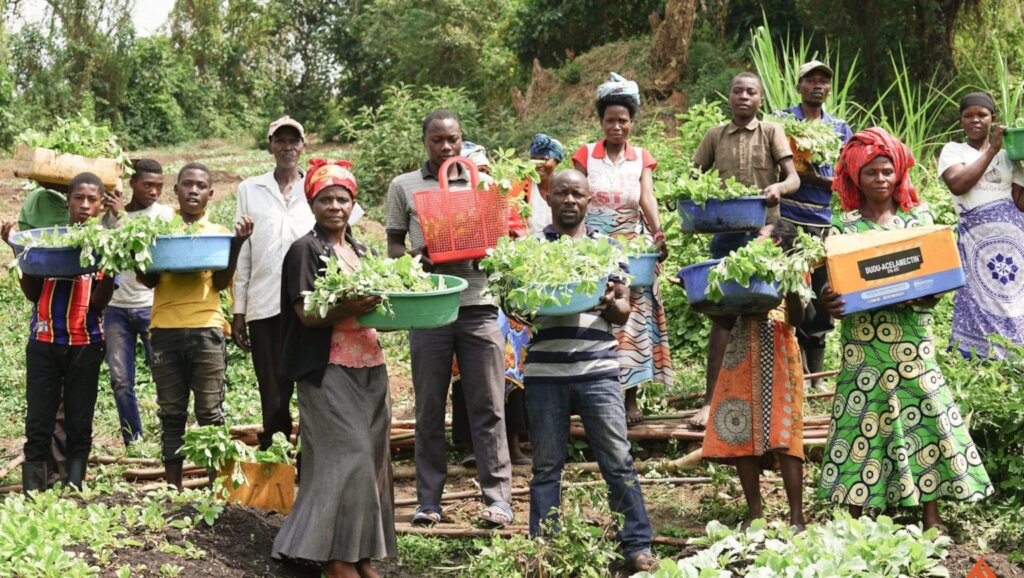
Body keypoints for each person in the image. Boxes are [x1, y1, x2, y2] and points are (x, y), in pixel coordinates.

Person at [818, 128, 993, 531]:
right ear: (856, 176)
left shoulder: (919, 220)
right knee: (862, 420)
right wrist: (829, 299)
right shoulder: (842, 228)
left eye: (887, 171)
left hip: (911, 340)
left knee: (925, 417)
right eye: (871, 172)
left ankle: (931, 516)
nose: (880, 179)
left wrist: (930, 294)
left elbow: (938, 278)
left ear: (898, 173)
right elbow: (834, 286)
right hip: (863, 344)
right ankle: (855, 518)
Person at [386, 109, 513, 527]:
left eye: (453, 139)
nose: (446, 147)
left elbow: (504, 240)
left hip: (479, 306)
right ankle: (428, 502)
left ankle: (498, 500)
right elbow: (393, 247)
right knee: (428, 408)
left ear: (462, 140)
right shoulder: (404, 186)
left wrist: (491, 250)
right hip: (429, 309)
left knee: (488, 405)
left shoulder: (484, 183)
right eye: (437, 140)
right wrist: (415, 259)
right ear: (424, 141)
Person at [525, 169, 656, 572]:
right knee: (546, 467)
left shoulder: (607, 248)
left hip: (598, 368)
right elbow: (518, 306)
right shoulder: (531, 248)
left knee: (617, 459)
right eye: (561, 193)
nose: (569, 200)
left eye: (577, 194)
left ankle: (637, 546)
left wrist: (608, 302)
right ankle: (546, 549)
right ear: (548, 197)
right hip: (545, 372)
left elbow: (623, 310)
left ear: (588, 199)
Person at [273, 159, 396, 578]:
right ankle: (337, 559)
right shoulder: (304, 250)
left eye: (342, 199)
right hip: (327, 368)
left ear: (353, 204)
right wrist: (349, 307)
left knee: (372, 460)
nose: (335, 206)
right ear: (312, 204)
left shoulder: (363, 252)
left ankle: (361, 556)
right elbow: (306, 314)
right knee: (347, 458)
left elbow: (384, 308)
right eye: (325, 199)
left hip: (371, 365)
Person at [690, 72, 800, 429]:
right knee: (722, 316)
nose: (743, 96)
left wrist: (778, 189)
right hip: (724, 234)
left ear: (760, 100)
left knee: (769, 311)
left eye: (751, 92)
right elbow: (692, 175)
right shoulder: (714, 135)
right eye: (737, 91)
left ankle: (774, 402)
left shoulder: (771, 131)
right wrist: (697, 193)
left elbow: (793, 177)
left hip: (765, 235)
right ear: (729, 96)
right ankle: (711, 401)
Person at [137, 163, 253, 489]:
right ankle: (173, 489)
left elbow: (220, 282)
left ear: (210, 194)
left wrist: (237, 244)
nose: (193, 190)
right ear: (175, 190)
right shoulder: (159, 230)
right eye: (187, 184)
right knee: (171, 413)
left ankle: (217, 489)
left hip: (207, 328)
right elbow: (149, 280)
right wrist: (136, 252)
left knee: (210, 413)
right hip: (164, 329)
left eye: (200, 186)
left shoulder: (217, 234)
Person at [2, 173, 116, 492]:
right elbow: (33, 293)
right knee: (39, 422)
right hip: (44, 341)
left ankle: (73, 490)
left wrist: (112, 267)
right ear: (68, 202)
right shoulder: (46, 241)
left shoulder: (106, 245)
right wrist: (17, 251)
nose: (84, 205)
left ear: (100, 205)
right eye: (78, 198)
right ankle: (34, 492)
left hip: (86, 343)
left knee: (80, 422)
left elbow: (99, 303)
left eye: (92, 200)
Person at [572, 72, 672, 425]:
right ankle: (594, 397)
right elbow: (575, 197)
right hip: (593, 245)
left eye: (623, 121)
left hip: (632, 247)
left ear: (632, 122)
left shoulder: (641, 157)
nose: (617, 126)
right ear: (601, 122)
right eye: (610, 120)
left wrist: (658, 235)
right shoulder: (586, 155)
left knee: (634, 320)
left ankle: (630, 399)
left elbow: (647, 197)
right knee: (596, 314)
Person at [700, 220, 807, 531]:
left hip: (780, 348)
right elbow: (724, 320)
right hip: (741, 349)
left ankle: (797, 517)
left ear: (776, 242)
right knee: (740, 430)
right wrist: (702, 297)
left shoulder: (793, 269)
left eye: (759, 235)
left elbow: (799, 319)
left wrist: (790, 284)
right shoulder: (740, 268)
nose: (752, 240)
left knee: (787, 434)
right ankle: (755, 513)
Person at [232, 116, 315, 450]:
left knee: (313, 383)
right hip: (264, 303)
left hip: (311, 304)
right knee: (273, 390)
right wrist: (239, 310)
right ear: (270, 146)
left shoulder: (318, 185)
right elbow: (244, 253)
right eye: (280, 140)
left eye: (293, 140)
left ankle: (312, 456)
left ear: (303, 145)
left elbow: (343, 235)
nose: (287, 147)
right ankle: (276, 454)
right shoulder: (250, 189)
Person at [777, 60, 854, 389]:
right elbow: (769, 165)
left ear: (829, 89)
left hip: (822, 222)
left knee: (823, 294)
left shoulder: (840, 128)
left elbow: (849, 177)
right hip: (786, 220)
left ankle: (817, 378)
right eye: (811, 81)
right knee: (792, 293)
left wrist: (813, 179)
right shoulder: (782, 121)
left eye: (823, 81)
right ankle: (795, 373)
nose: (818, 86)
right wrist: (794, 176)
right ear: (799, 87)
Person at [938, 92, 1024, 359]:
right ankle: (981, 355)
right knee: (980, 298)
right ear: (961, 121)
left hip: (1012, 243)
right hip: (975, 243)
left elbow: (1020, 202)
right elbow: (958, 184)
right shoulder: (954, 151)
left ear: (993, 119)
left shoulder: (1009, 155)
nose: (975, 120)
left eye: (982, 115)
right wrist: (992, 150)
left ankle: (1015, 354)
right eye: (968, 115)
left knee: (1014, 298)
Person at [100, 159, 174, 446]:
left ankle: (170, 435)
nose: (154, 191)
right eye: (147, 185)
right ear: (132, 183)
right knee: (120, 380)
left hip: (151, 305)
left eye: (159, 186)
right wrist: (115, 214)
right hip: (115, 308)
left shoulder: (163, 215)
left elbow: (142, 248)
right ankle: (134, 440)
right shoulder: (108, 217)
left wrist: (121, 216)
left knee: (163, 373)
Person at [527, 133, 564, 232]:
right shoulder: (522, 188)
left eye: (545, 159)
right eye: (534, 160)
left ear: (557, 161)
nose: (538, 165)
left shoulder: (565, 187)